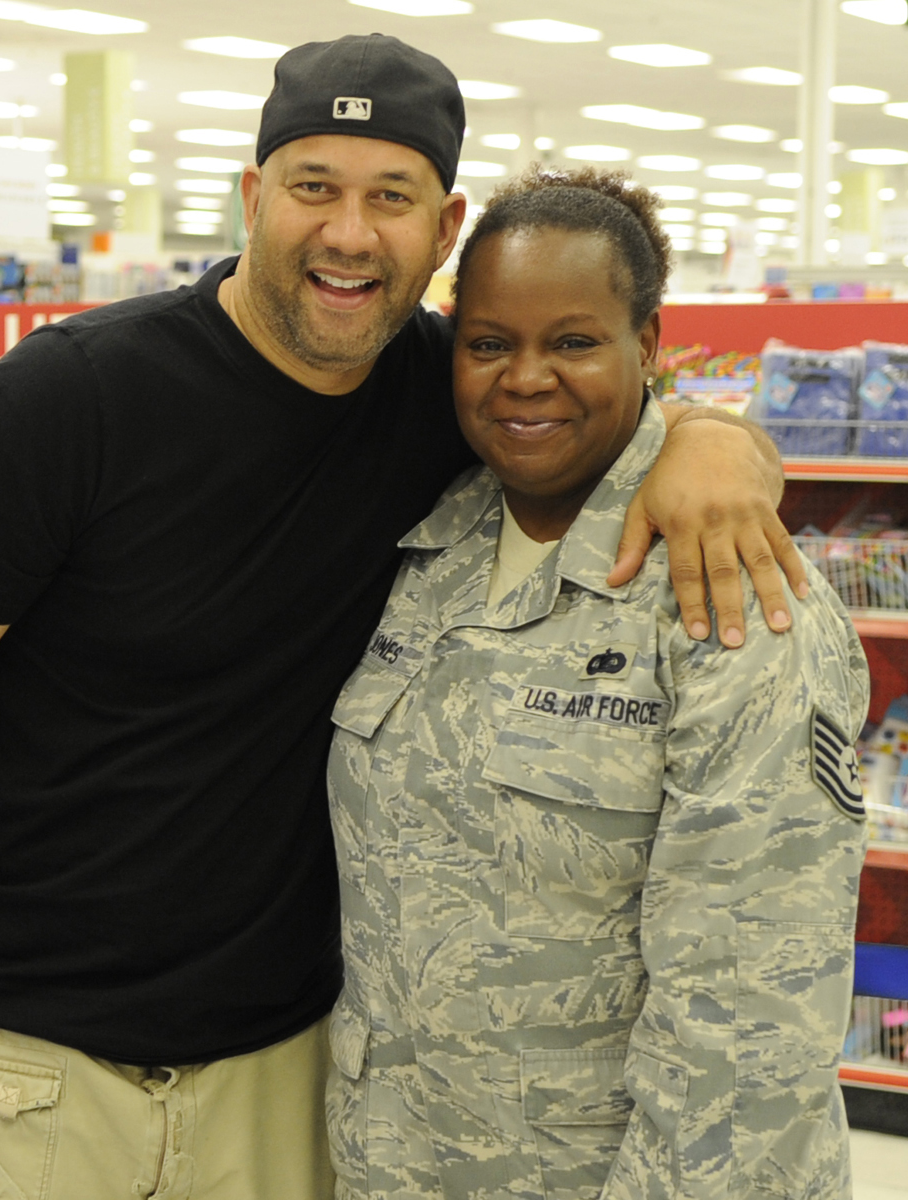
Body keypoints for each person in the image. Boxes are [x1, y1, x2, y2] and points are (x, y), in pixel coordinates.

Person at [0, 34, 809, 1200]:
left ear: (445, 228)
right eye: (314, 187)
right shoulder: (63, 403)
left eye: (393, 197)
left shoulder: (452, 397)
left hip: (286, 1073)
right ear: (253, 197)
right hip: (29, 1062)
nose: (349, 232)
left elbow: (610, 401)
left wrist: (718, 442)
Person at [324, 166, 870, 1200]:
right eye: (490, 344)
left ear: (648, 345)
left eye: (574, 342)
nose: (526, 378)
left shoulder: (724, 595)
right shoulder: (428, 549)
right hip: (392, 1163)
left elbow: (748, 1026)